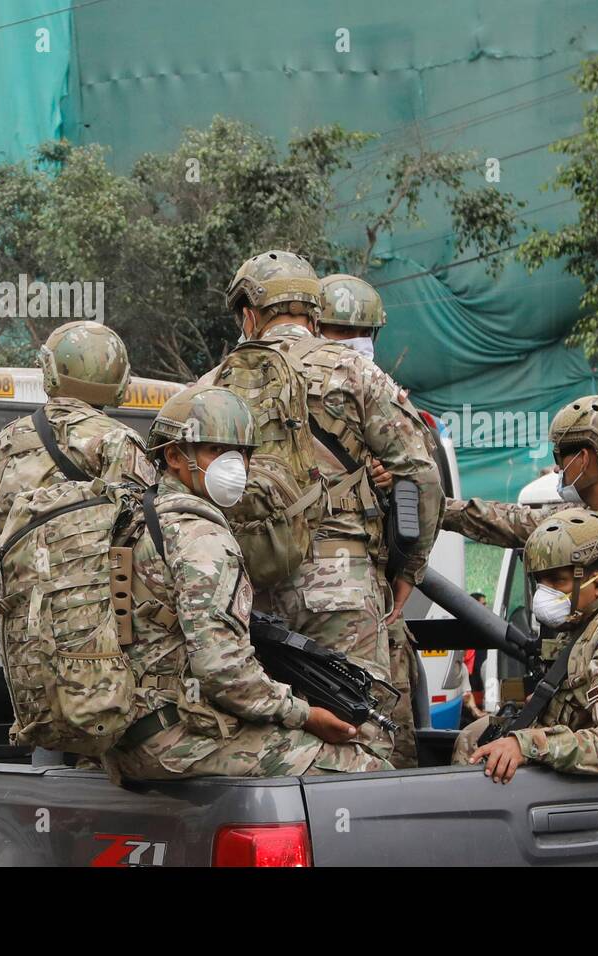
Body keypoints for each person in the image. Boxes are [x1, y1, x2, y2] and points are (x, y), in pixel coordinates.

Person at [219, 254, 442, 764]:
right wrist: (408, 567)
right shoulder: (355, 372)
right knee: (362, 730)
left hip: (246, 592)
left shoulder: (213, 385)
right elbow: (420, 473)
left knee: (271, 732)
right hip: (342, 585)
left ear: (249, 313)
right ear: (314, 313)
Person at [107, 384, 390, 781]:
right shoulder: (200, 538)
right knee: (368, 769)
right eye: (216, 451)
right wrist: (305, 714)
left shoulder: (135, 521)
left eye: (242, 453)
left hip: (127, 737)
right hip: (178, 741)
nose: (234, 465)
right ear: (173, 456)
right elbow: (223, 672)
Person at [314, 271, 440, 768]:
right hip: (354, 595)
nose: (351, 348)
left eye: (358, 337)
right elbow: (424, 478)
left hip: (278, 591)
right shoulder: (370, 392)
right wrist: (411, 569)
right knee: (376, 733)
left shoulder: (378, 400)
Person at [453, 509, 598, 782]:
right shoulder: (583, 627)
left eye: (558, 581)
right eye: (541, 581)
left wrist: (529, 745)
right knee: (472, 737)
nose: (546, 592)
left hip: (589, 789)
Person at [441, 395, 598, 575]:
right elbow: (507, 520)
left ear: (584, 458)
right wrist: (433, 506)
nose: (556, 468)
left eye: (559, 457)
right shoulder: (593, 516)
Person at [0, 320, 156, 543]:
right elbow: (139, 534)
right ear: (121, 381)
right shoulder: (119, 440)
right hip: (94, 578)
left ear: (50, 371)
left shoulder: (5, 440)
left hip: (17, 577)